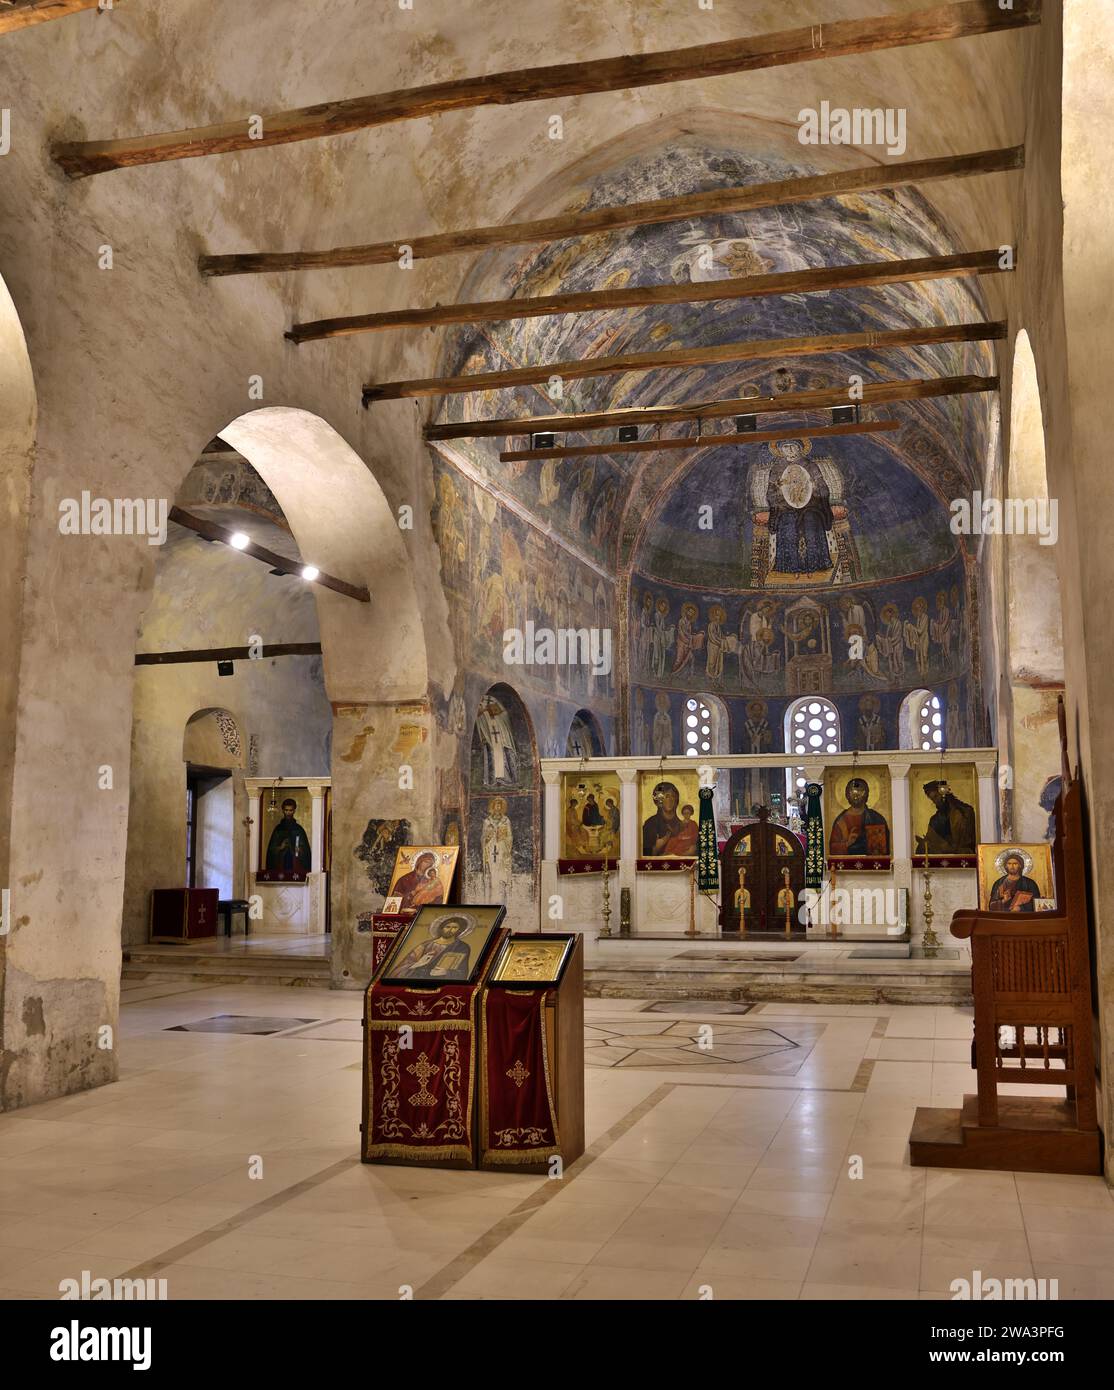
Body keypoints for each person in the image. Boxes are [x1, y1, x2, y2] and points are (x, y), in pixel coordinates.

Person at [392, 915, 473, 980]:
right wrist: (418, 964)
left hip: (442, 983)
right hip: (418, 980)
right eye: (447, 927)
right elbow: (402, 967)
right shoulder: (425, 945)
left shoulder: (462, 947)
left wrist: (446, 972)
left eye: (455, 927)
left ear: (459, 930)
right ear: (442, 928)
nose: (450, 930)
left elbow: (463, 972)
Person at [829, 777, 891, 857]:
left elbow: (882, 849)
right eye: (852, 792)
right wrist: (847, 843)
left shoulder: (876, 818)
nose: (856, 795)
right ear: (846, 795)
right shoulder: (841, 821)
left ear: (867, 794)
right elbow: (833, 848)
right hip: (847, 865)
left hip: (872, 865)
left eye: (860, 791)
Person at [917, 779, 977, 854]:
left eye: (936, 796)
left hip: (963, 858)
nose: (935, 801)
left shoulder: (965, 812)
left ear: (944, 793)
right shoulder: (935, 820)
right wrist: (924, 843)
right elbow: (931, 841)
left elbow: (970, 842)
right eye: (932, 799)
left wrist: (952, 848)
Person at [265, 798, 311, 877]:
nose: (288, 813)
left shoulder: (299, 830)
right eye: (286, 810)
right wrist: (280, 847)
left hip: (296, 866)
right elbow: (271, 851)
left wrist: (300, 850)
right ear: (283, 810)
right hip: (280, 867)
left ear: (294, 811)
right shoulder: (278, 829)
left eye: (291, 810)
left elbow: (305, 851)